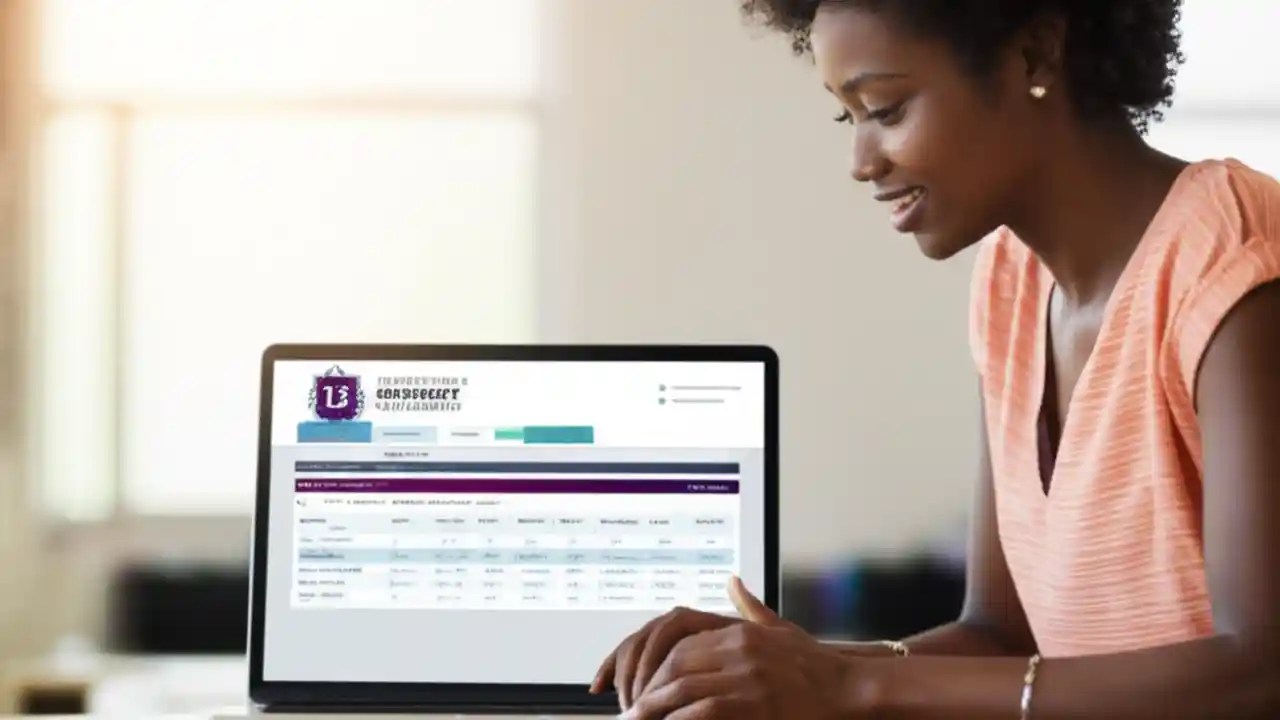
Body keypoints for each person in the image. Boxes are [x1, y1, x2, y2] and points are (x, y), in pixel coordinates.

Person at [590, 0, 1280, 717]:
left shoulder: (1230, 256)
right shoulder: (1010, 281)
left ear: (1035, 55)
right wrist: (777, 664)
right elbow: (1000, 639)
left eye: (885, 108)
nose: (861, 162)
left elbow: (1262, 670)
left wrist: (849, 683)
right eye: (846, 116)